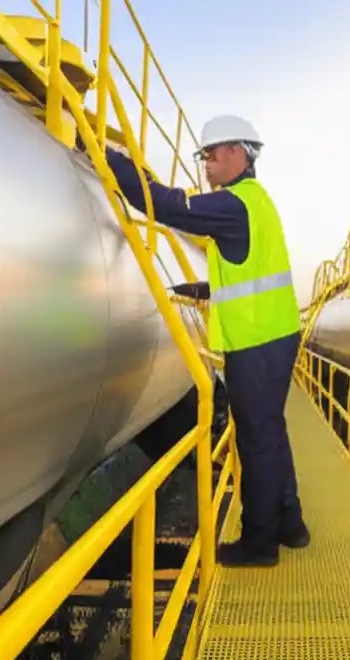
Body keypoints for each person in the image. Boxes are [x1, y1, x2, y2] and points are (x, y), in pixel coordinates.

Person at [102, 115, 309, 567]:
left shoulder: (233, 204)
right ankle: (291, 525)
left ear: (237, 152)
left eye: (210, 154)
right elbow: (248, 271)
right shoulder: (255, 203)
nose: (205, 165)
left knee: (255, 443)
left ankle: (260, 544)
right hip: (272, 337)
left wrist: (112, 161)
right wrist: (204, 289)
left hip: (256, 345)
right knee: (271, 434)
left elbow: (167, 206)